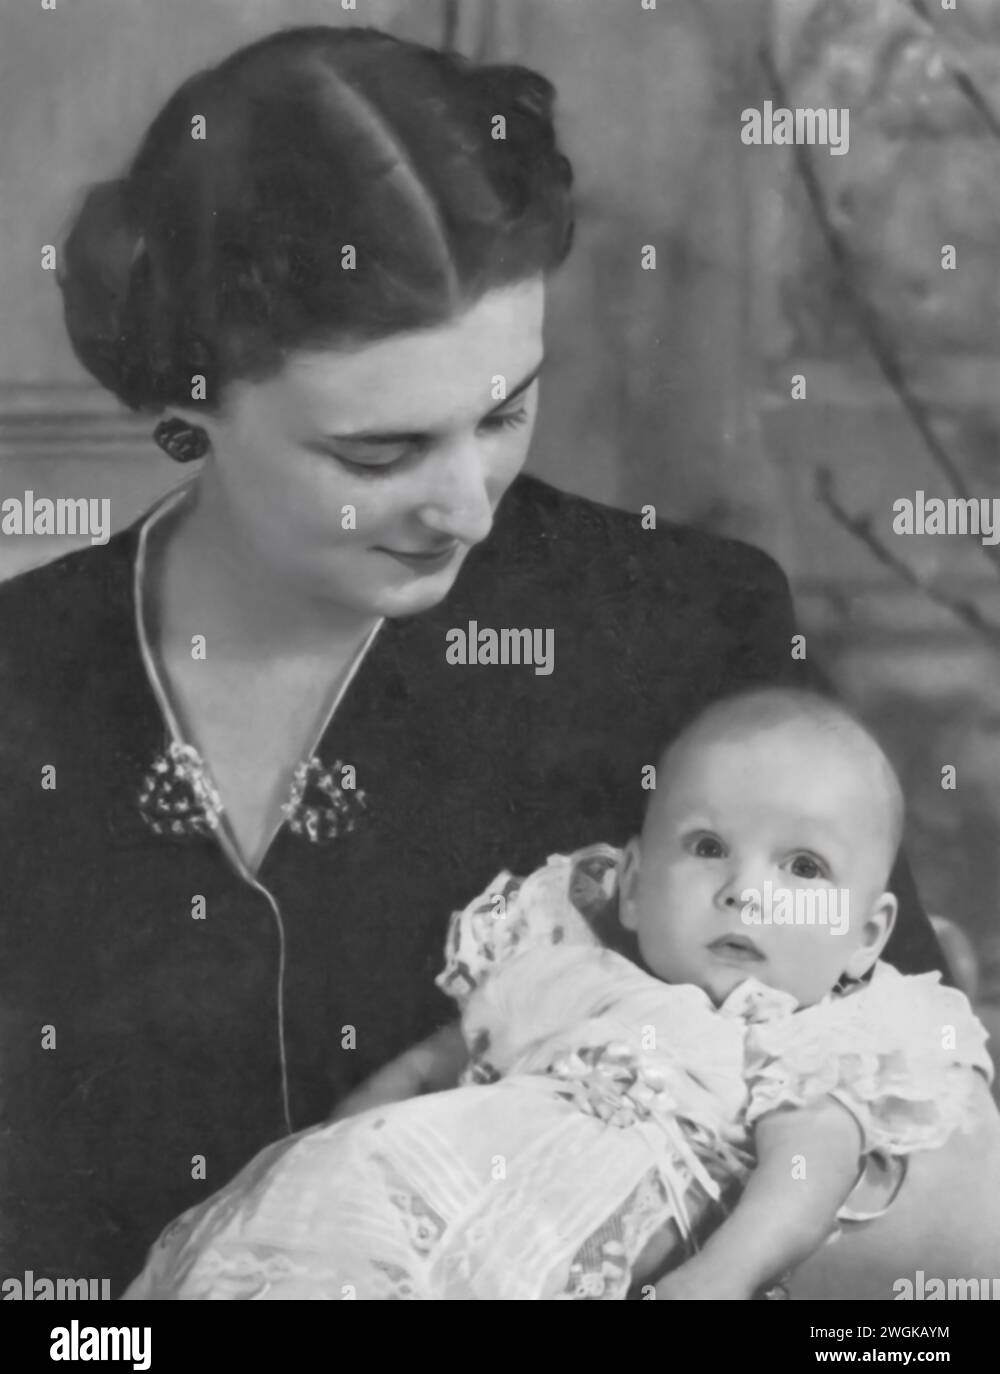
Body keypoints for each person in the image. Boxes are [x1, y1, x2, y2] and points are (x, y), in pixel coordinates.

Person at [0, 25, 951, 1297]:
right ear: (192, 398)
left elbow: (937, 1177)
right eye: (380, 454)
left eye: (504, 413)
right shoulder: (27, 678)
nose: (467, 504)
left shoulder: (681, 631)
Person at [121, 688, 993, 1301]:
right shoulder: (568, 969)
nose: (745, 892)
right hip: (408, 1195)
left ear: (868, 935)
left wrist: (715, 1283)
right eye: (706, 847)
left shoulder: (807, 1040)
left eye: (802, 866)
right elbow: (434, 1066)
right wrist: (329, 1147)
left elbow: (800, 1182)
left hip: (556, 1256)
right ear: (632, 885)